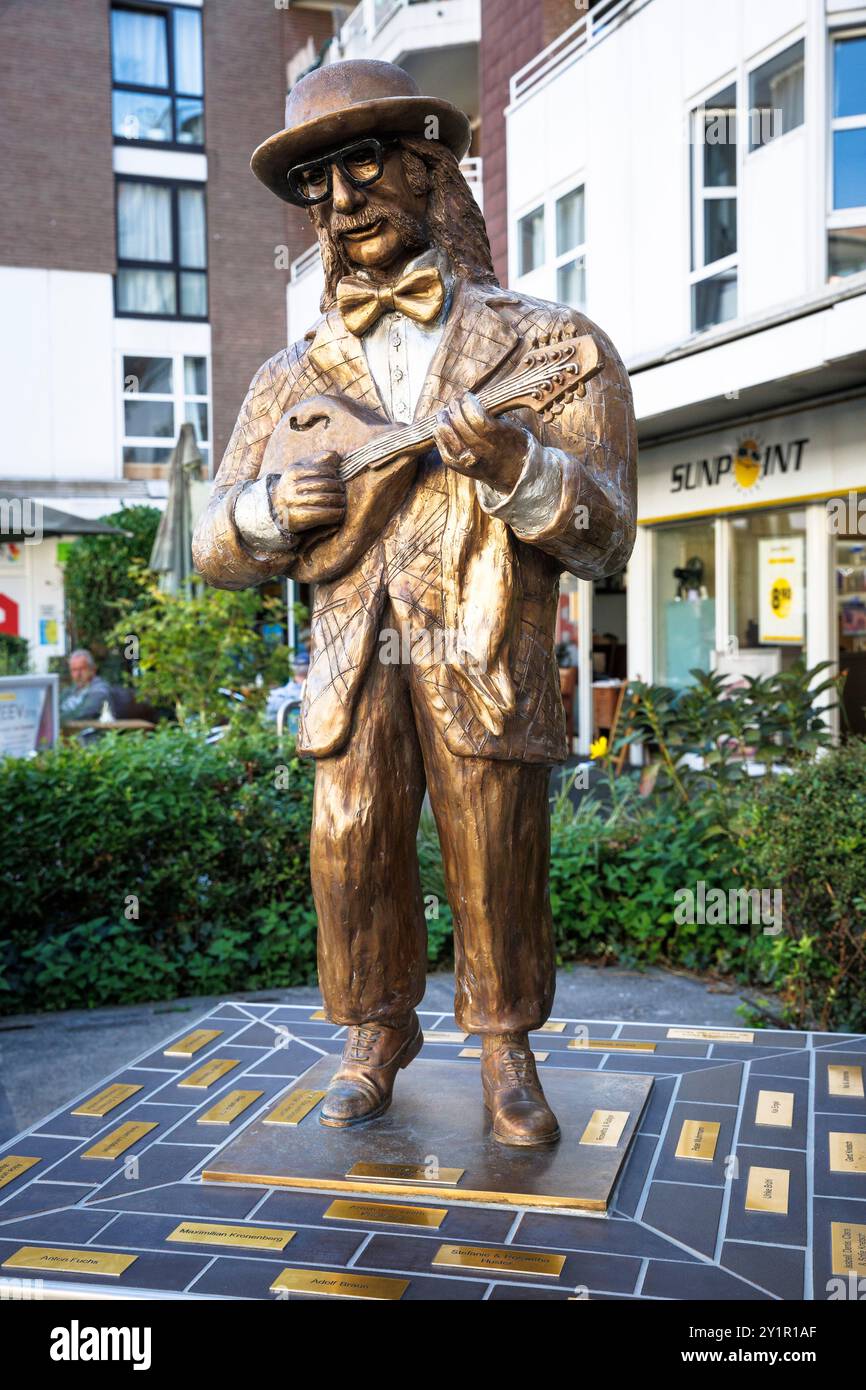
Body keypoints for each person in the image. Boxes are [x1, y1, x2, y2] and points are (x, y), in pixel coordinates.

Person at [193, 60, 637, 1146]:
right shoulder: (285, 380)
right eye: (315, 181)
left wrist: (516, 468)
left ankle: (504, 1046)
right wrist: (263, 510)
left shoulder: (551, 344)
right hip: (351, 657)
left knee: (492, 840)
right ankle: (370, 1032)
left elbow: (606, 531)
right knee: (348, 841)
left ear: (428, 164)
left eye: (362, 161)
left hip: (482, 641)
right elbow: (212, 543)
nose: (340, 199)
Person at [59, 649, 112, 722]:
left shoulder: (100, 689)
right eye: (74, 670)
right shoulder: (69, 691)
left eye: (82, 669)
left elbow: (84, 713)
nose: (78, 674)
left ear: (92, 670)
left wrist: (57, 720)